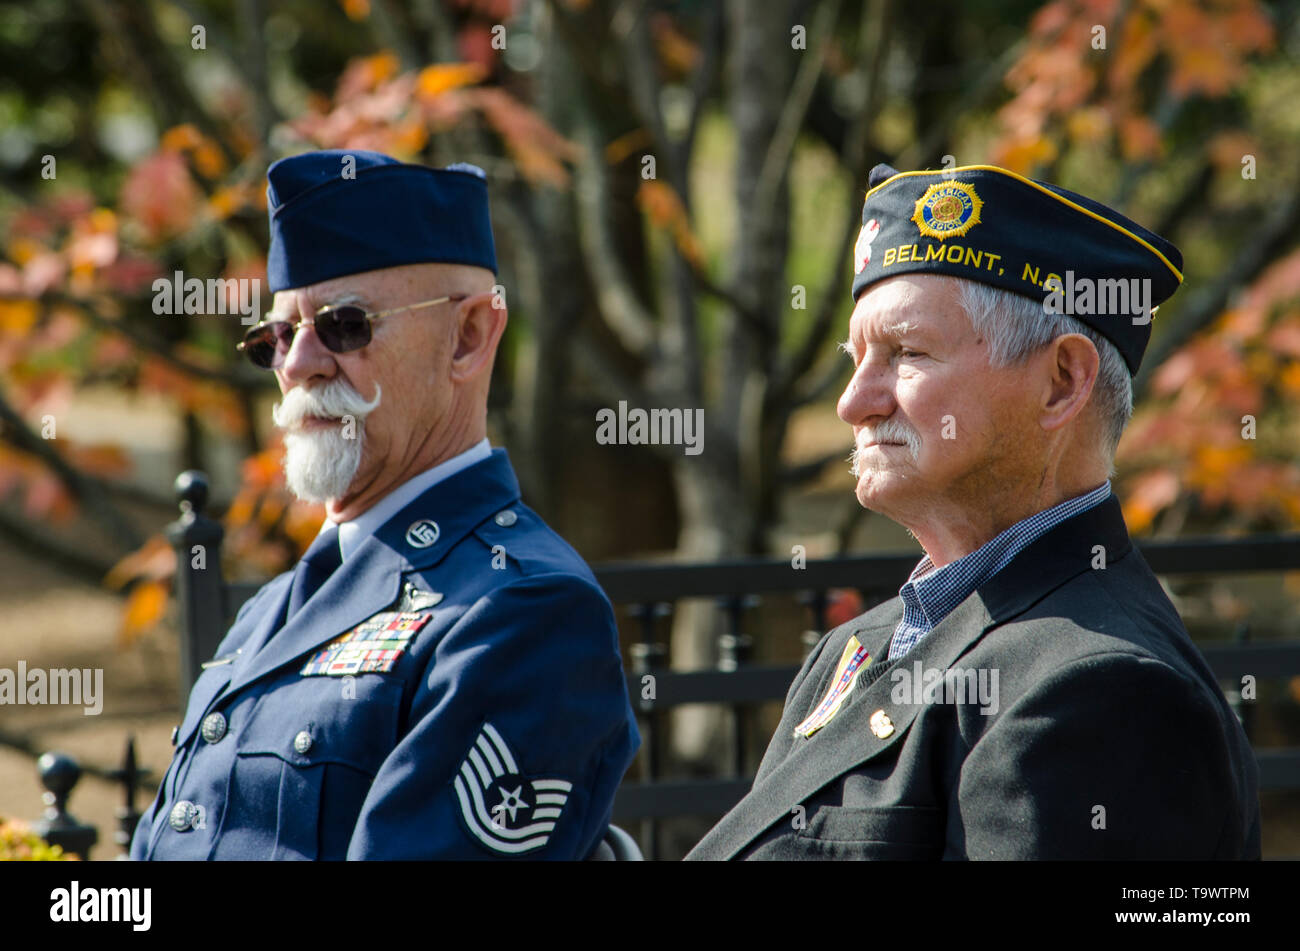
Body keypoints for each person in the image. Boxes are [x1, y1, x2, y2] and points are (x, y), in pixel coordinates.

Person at [686, 163, 1260, 860]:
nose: (852, 401)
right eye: (855, 356)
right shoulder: (858, 644)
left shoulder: (1105, 689)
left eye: (905, 353)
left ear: (1062, 382)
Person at [131, 150, 639, 860]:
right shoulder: (268, 612)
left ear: (468, 336)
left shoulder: (524, 611)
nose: (299, 364)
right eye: (277, 337)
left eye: (344, 325)